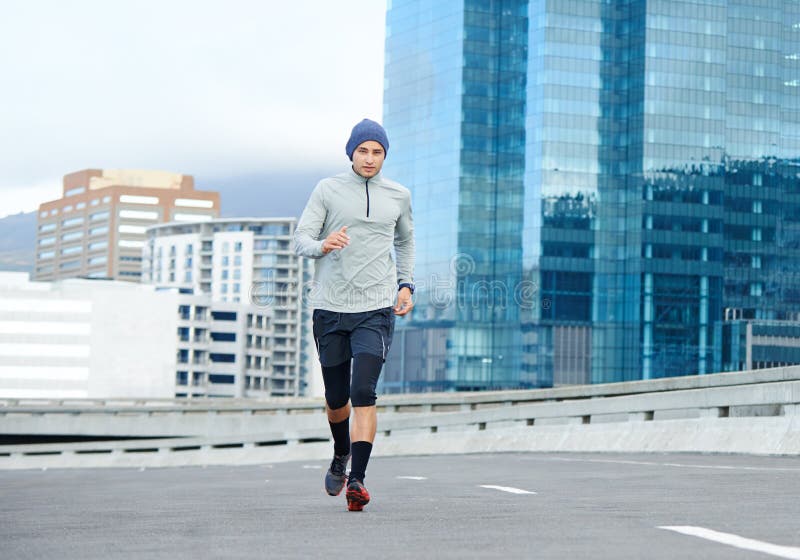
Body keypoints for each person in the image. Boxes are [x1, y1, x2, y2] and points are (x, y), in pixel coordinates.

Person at [294, 118, 415, 511]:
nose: (369, 158)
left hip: (375, 308)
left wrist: (406, 284)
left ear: (384, 156)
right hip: (330, 308)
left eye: (377, 152)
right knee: (335, 397)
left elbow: (406, 242)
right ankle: (340, 452)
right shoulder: (327, 190)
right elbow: (301, 239)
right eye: (363, 150)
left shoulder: (398, 195)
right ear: (351, 153)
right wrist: (323, 245)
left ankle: (357, 481)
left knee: (363, 391)